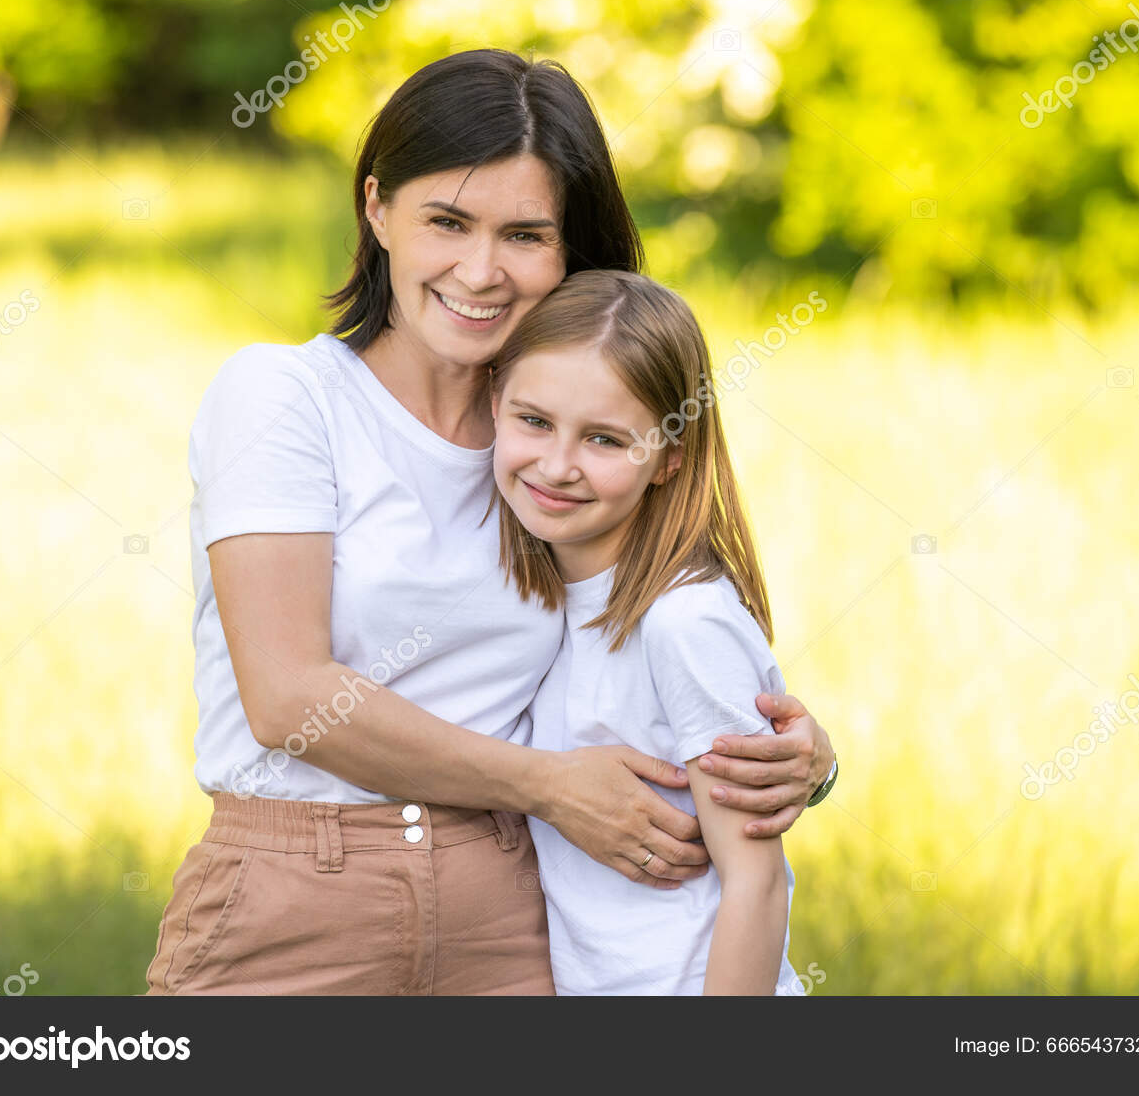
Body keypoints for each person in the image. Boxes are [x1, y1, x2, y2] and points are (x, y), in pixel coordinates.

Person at [144, 49, 836, 996]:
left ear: (569, 253)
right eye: (447, 220)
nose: (481, 269)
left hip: (513, 917)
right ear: (377, 208)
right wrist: (550, 786)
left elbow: (663, 641)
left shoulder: (557, 452)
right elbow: (291, 697)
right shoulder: (285, 397)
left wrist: (796, 759)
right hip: (302, 893)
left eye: (524, 234)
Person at [490, 269, 804, 994]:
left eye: (604, 438)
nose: (557, 465)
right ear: (495, 402)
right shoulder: (536, 591)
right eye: (534, 421)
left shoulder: (684, 618)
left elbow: (757, 884)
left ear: (669, 456)